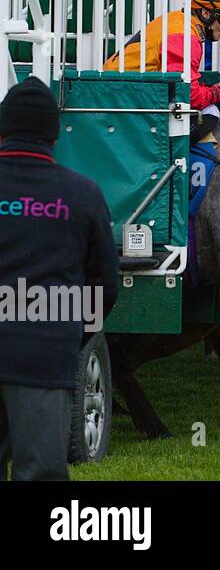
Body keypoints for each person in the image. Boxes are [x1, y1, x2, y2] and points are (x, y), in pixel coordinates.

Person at [0, 78, 116, 480]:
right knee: (40, 474)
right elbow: (105, 284)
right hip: (45, 354)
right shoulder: (83, 194)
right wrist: (71, 333)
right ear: (55, 134)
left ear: (3, 128)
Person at [104, 0, 220, 112]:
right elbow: (185, 95)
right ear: (205, 13)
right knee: (210, 114)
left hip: (121, 92)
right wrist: (219, 93)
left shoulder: (179, 20)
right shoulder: (184, 36)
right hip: (119, 98)